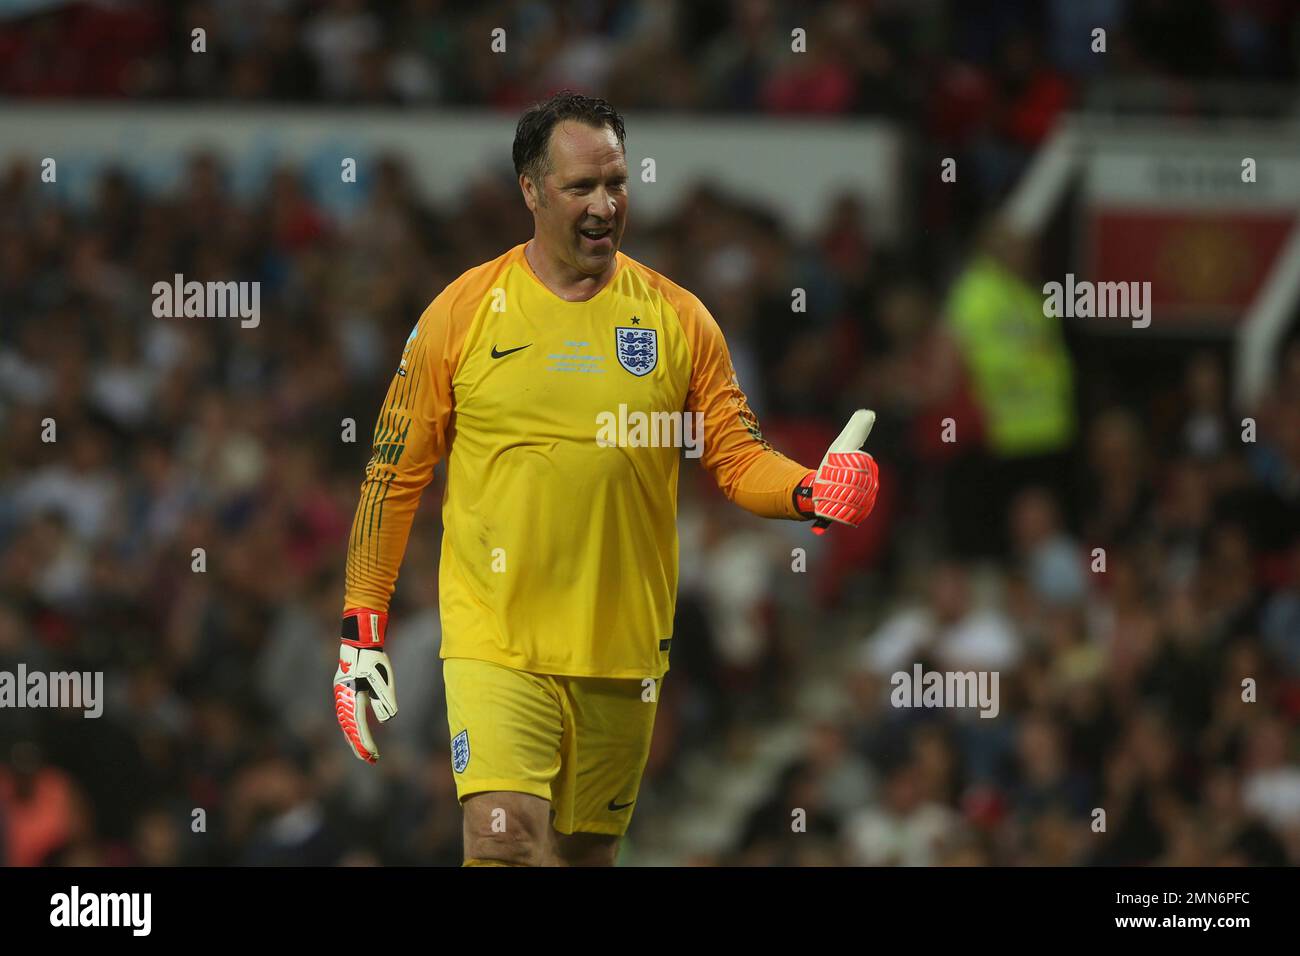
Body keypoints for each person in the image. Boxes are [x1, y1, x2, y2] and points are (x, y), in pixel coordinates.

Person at [332, 90, 880, 866]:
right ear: (530, 190)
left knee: (581, 857)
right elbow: (391, 475)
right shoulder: (461, 313)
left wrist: (809, 491)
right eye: (580, 187)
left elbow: (736, 454)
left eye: (616, 183)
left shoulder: (678, 318)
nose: (603, 205)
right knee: (505, 843)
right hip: (497, 640)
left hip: (622, 652)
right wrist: (361, 627)